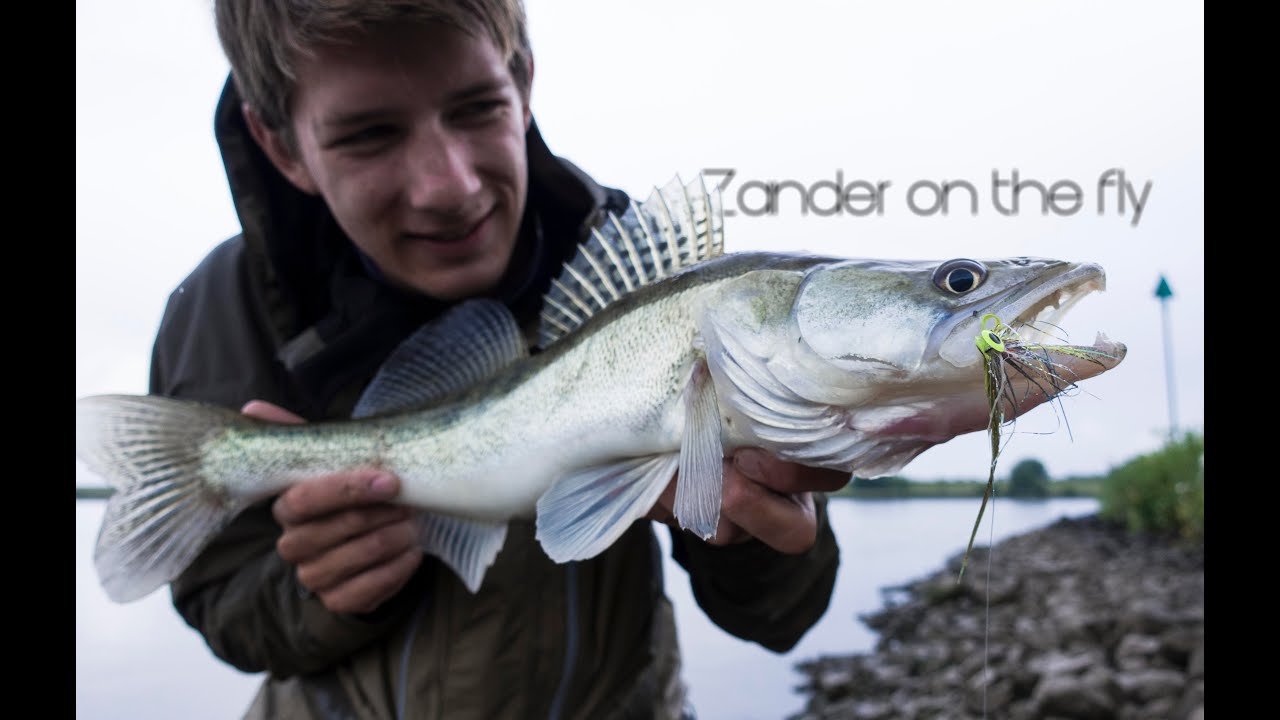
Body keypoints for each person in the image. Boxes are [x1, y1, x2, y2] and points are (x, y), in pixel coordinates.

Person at [151, 2, 845, 717]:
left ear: (523, 82)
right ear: (282, 147)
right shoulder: (220, 309)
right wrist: (320, 597)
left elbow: (782, 619)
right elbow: (220, 602)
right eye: (369, 135)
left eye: (477, 107)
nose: (449, 187)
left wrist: (752, 530)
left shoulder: (655, 290)